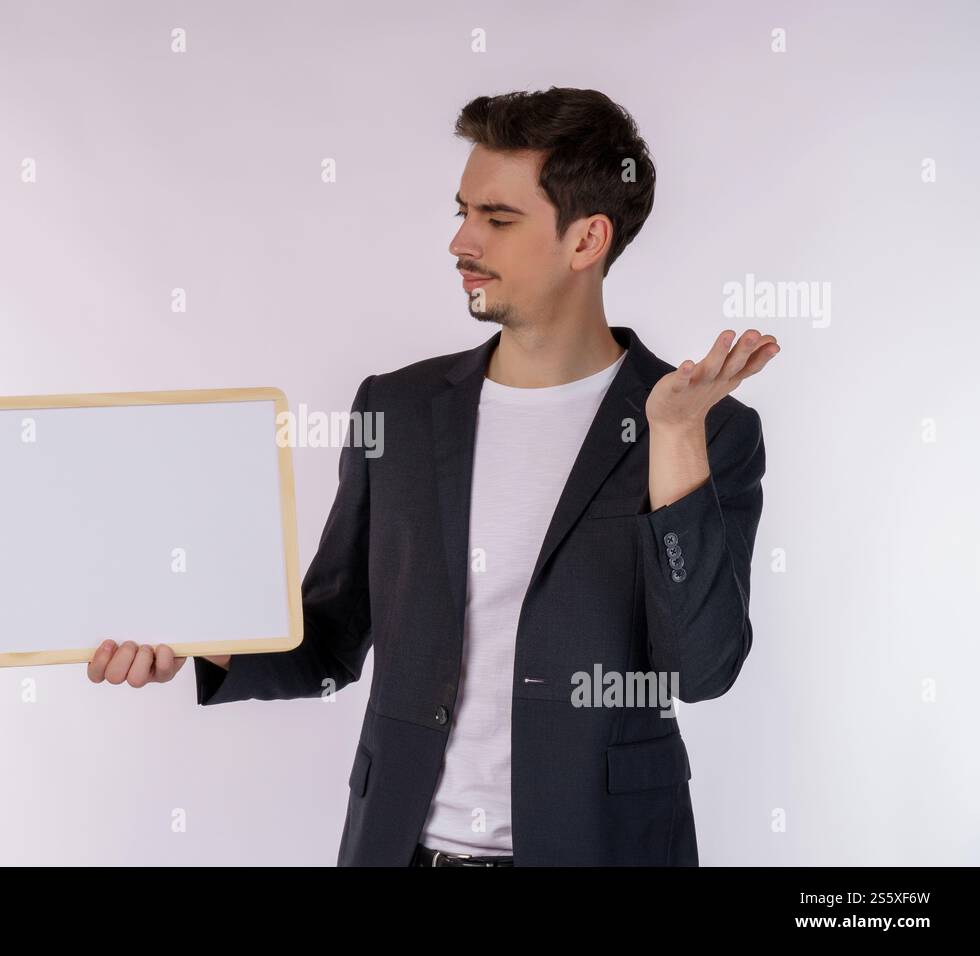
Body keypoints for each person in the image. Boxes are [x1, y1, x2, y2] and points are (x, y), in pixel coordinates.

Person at [87, 88, 779, 866]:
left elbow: (703, 668)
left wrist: (675, 437)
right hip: (400, 847)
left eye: (497, 218)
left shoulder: (703, 427)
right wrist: (198, 642)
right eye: (462, 212)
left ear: (587, 239)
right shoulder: (400, 410)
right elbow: (329, 640)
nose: (461, 242)